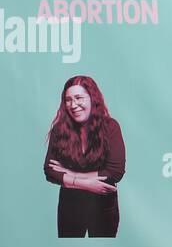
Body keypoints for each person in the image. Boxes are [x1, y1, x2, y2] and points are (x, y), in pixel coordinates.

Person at [44, 76, 125, 237]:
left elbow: (115, 172)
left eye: (78, 98)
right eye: (68, 100)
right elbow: (50, 171)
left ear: (92, 99)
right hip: (70, 207)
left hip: (103, 207)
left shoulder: (111, 127)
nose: (73, 105)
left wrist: (71, 176)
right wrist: (87, 183)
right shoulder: (59, 130)